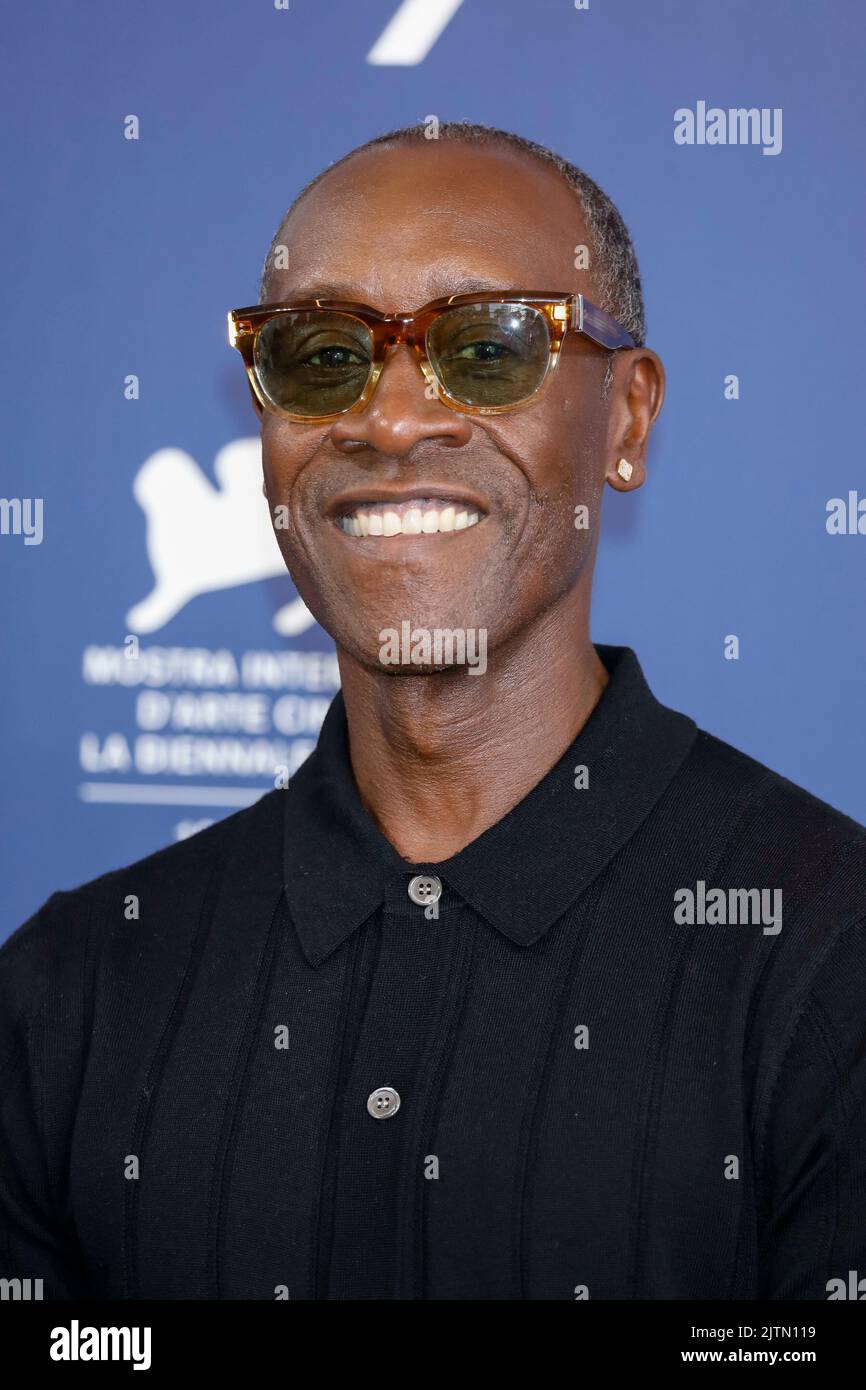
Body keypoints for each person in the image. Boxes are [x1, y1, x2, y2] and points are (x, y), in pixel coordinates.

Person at [2, 124, 864, 1301]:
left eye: (487, 347)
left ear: (626, 417)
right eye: (322, 355)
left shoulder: (827, 959)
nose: (391, 422)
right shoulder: (73, 989)